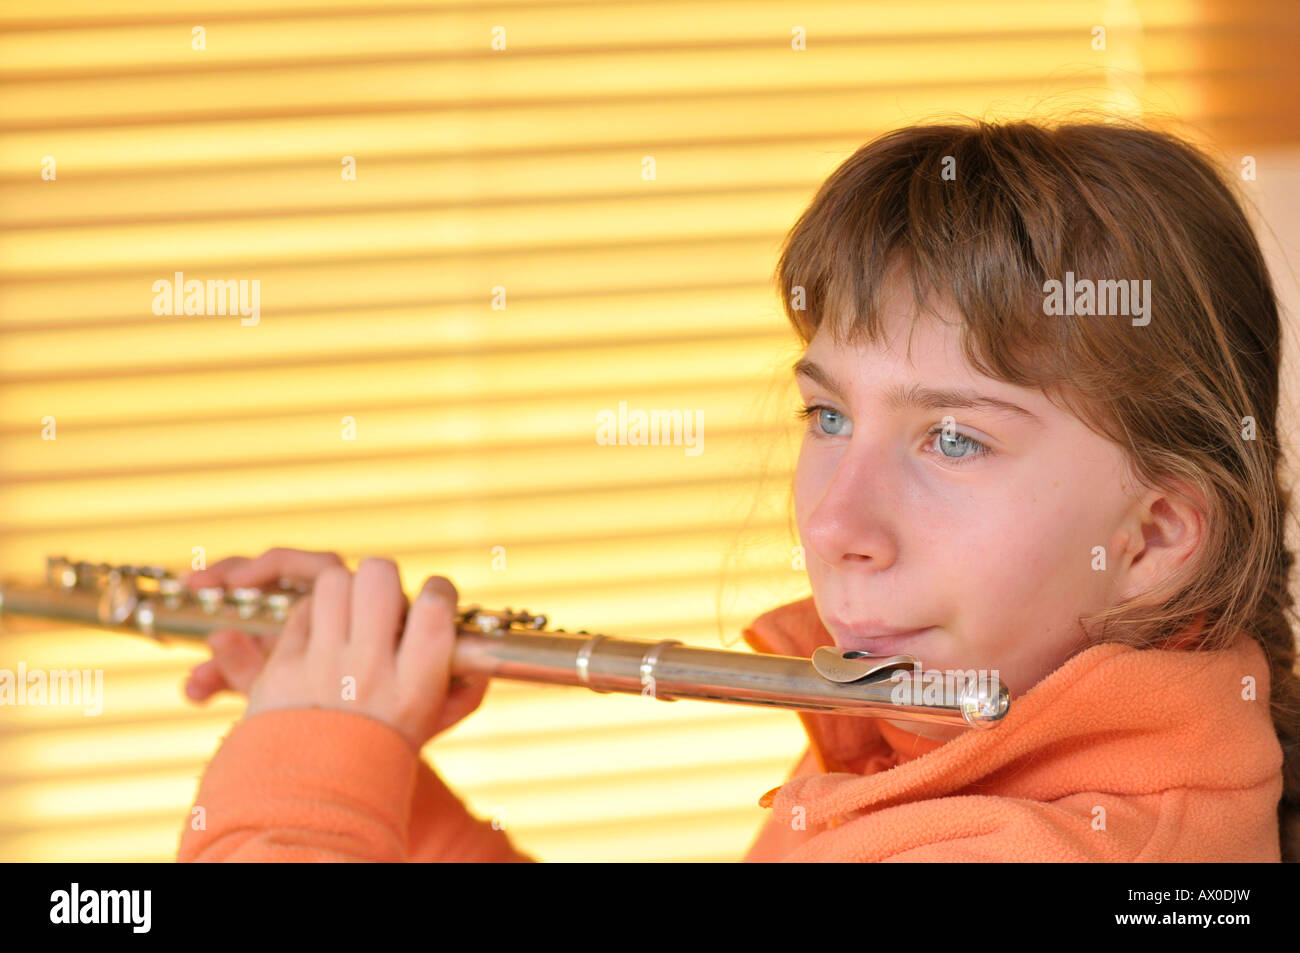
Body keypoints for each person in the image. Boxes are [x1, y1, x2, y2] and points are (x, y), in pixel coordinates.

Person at [177, 116, 1299, 862]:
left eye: (952, 438)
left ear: (1154, 535)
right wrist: (366, 754)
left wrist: (301, 771)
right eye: (828, 415)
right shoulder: (966, 743)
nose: (833, 522)